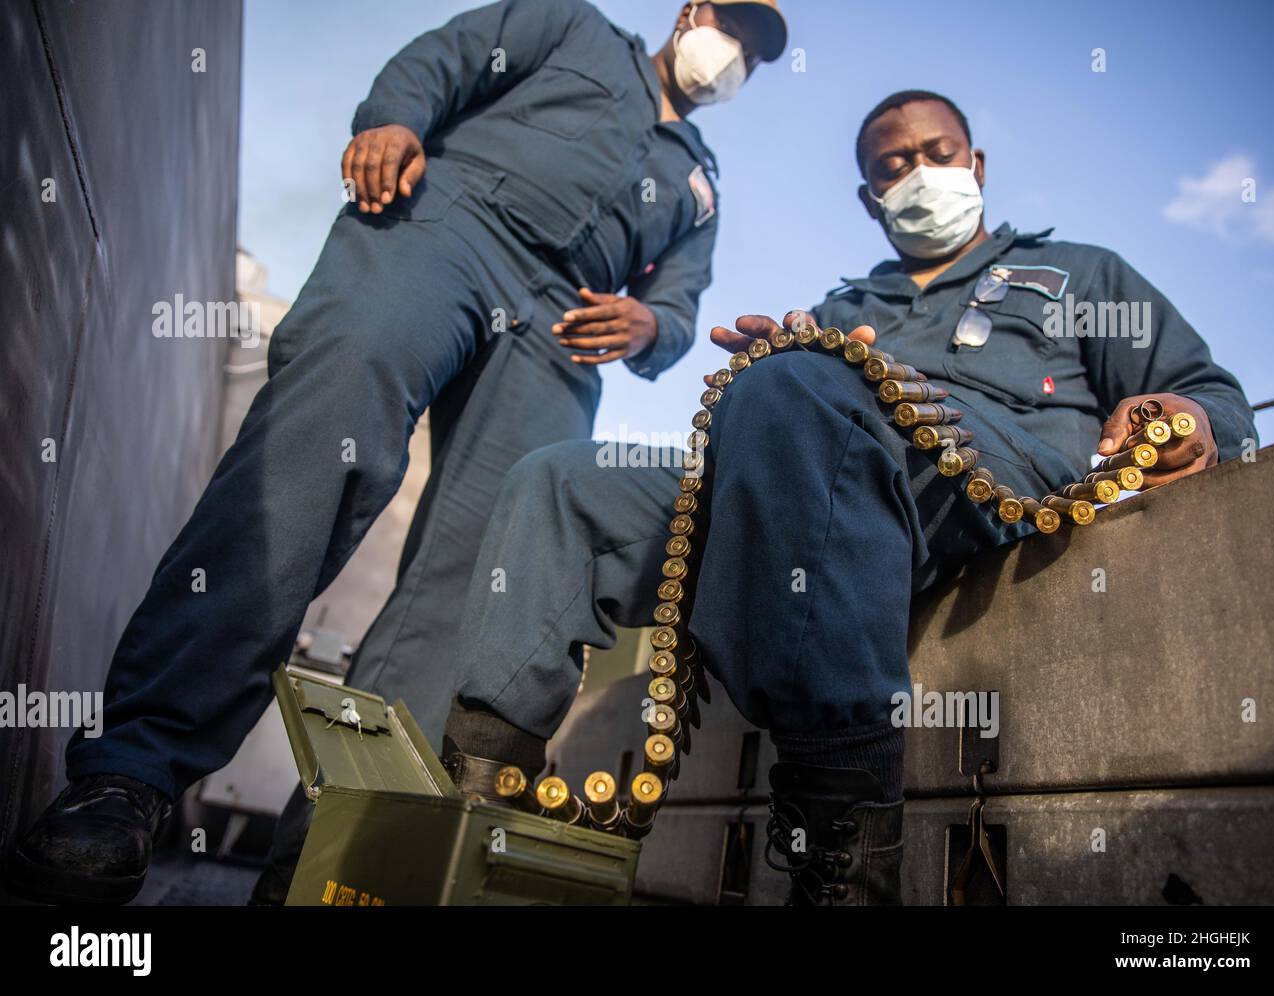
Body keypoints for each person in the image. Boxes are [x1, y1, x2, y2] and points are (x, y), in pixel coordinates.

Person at [4, 0, 788, 906]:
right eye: (733, 24)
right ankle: (129, 775)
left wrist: (652, 321)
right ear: (693, 12)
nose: (735, 53)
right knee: (324, 429)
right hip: (450, 227)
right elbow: (444, 58)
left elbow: (683, 308)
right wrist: (391, 122)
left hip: (562, 334)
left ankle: (335, 853)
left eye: (758, 53)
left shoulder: (700, 184)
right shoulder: (570, 27)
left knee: (495, 560)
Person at [413, 90, 1257, 905]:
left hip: (987, 477)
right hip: (824, 481)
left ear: (978, 163)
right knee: (564, 480)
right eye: (895, 165)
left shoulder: (1080, 272)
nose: (922, 173)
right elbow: (781, 422)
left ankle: (847, 858)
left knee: (797, 389)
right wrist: (769, 385)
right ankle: (477, 803)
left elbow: (1205, 391)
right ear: (869, 195)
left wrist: (1190, 416)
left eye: (939, 153)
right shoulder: (845, 307)